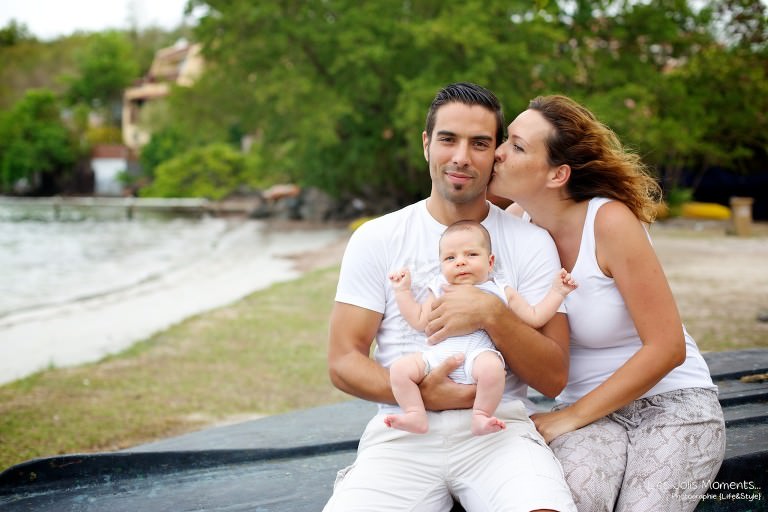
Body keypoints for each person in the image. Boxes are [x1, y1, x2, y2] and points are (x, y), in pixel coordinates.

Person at [324, 83, 576, 511]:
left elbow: (553, 377)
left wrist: (493, 314)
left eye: (479, 143)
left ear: (495, 154)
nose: (461, 156)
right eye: (448, 139)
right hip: (402, 437)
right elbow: (343, 360)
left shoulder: (530, 242)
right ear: (427, 145)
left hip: (500, 432)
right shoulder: (377, 238)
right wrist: (426, 396)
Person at [478, 94, 724, 511]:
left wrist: (567, 419)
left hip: (671, 404)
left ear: (557, 174)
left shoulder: (609, 222)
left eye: (517, 146)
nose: (498, 153)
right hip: (585, 413)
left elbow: (668, 347)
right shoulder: (514, 226)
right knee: (571, 503)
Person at [386, 220, 577, 435]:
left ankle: (481, 415)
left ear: (490, 261)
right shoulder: (439, 288)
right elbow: (419, 319)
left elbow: (534, 317)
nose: (460, 262)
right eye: (450, 258)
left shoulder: (500, 289)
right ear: (441, 266)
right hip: (436, 357)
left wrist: (557, 293)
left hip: (477, 356)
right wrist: (402, 292)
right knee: (399, 369)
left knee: (493, 369)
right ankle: (415, 414)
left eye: (471, 255)